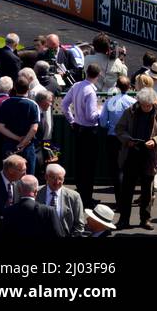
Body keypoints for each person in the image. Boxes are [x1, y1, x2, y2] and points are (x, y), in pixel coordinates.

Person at [114, 86, 157, 230]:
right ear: (139, 102)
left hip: (150, 155)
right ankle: (124, 220)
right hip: (131, 153)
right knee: (127, 190)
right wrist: (127, 140)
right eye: (143, 105)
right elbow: (119, 129)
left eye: (148, 106)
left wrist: (155, 141)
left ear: (153, 103)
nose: (146, 108)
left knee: (147, 191)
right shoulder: (130, 111)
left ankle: (145, 219)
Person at [60, 63, 103, 208]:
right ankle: (86, 199)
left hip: (78, 129)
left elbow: (64, 105)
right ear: (98, 75)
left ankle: (81, 197)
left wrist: (72, 121)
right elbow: (92, 117)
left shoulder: (77, 85)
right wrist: (101, 110)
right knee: (88, 166)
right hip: (89, 131)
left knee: (80, 164)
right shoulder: (90, 91)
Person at [2, 174, 59, 239]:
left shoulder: (8, 211)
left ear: (19, 190)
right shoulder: (48, 211)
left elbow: (4, 236)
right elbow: (59, 235)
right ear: (36, 191)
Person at [43, 163, 85, 237]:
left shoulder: (74, 196)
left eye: (60, 179)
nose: (57, 182)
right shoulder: (36, 192)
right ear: (46, 177)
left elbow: (79, 224)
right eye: (53, 178)